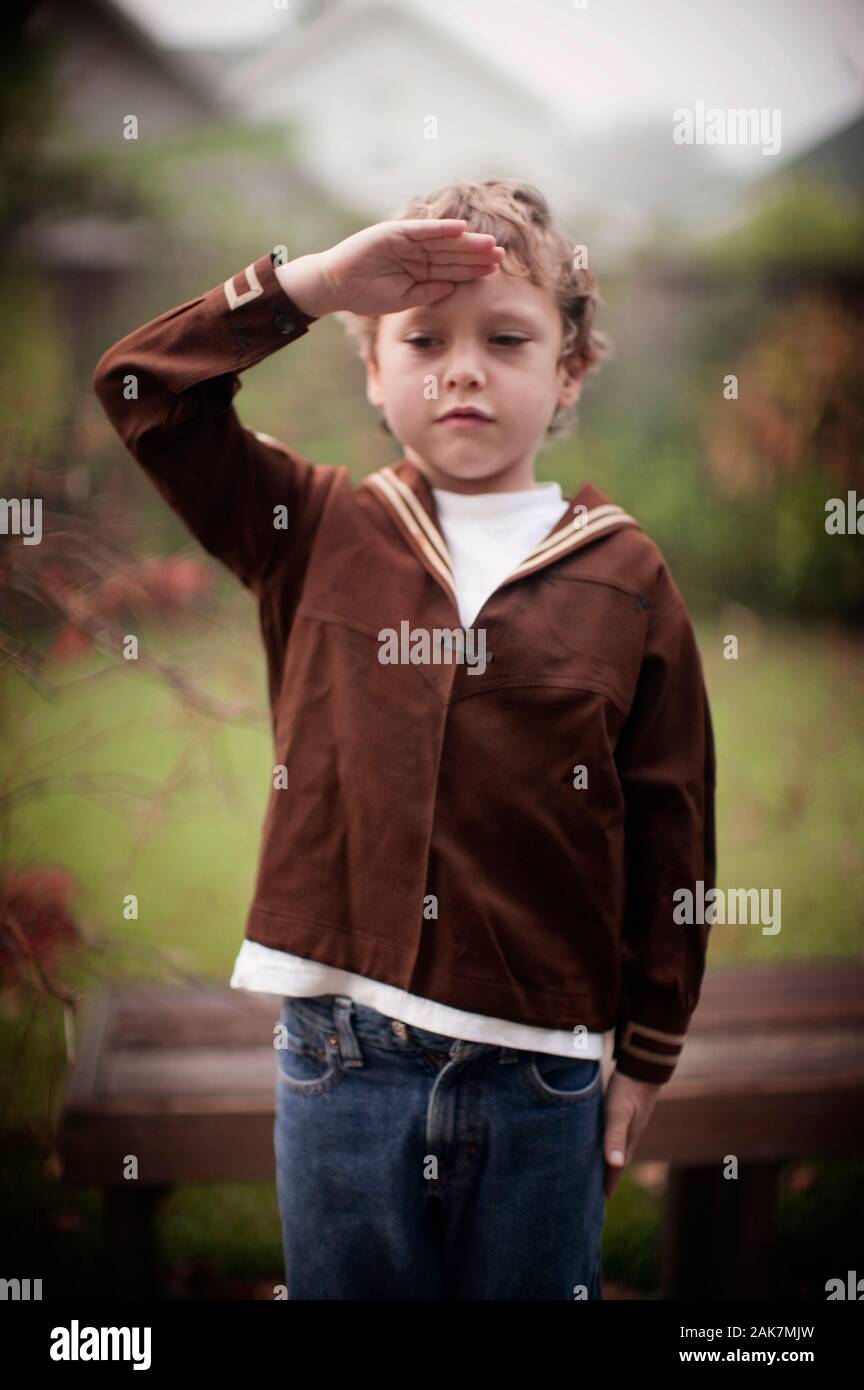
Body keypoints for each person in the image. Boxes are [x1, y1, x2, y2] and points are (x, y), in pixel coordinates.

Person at [92, 178, 717, 1300]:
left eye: (507, 338)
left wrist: (650, 1054)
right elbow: (140, 388)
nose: (462, 366)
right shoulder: (312, 525)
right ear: (373, 372)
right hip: (343, 1061)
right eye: (422, 338)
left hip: (548, 1077)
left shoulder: (629, 576)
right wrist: (315, 285)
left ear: (569, 371)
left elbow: (676, 830)